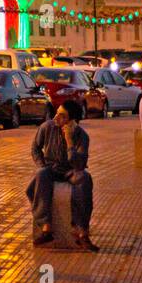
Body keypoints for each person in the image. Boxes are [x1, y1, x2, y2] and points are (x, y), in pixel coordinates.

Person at [26, 99, 98, 251]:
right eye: (56, 113)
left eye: (61, 116)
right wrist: (42, 165)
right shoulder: (47, 127)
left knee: (84, 179)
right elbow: (35, 148)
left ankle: (81, 232)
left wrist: (69, 141)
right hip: (51, 168)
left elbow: (79, 164)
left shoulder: (81, 135)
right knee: (41, 175)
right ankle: (46, 228)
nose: (55, 118)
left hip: (70, 170)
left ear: (71, 120)